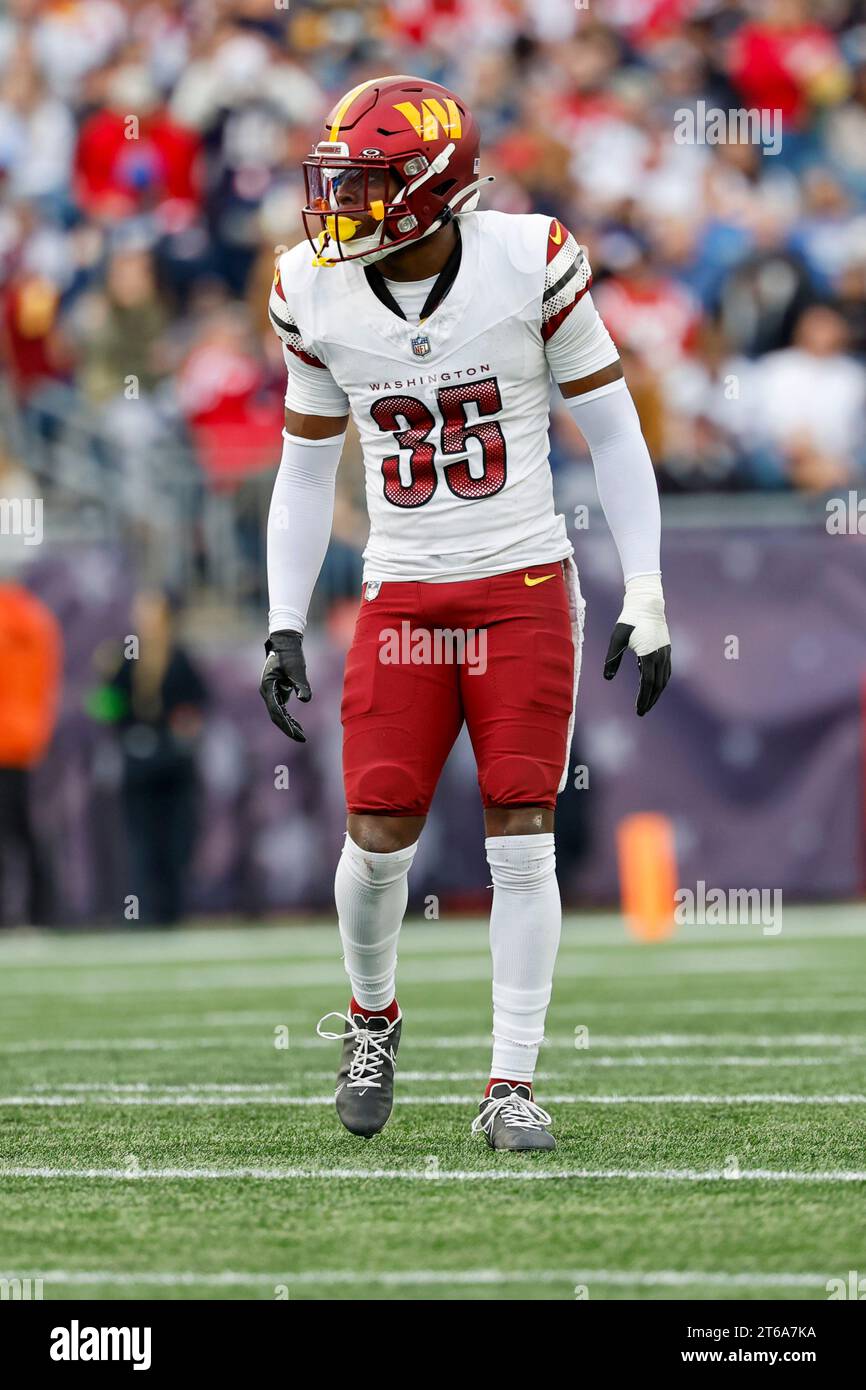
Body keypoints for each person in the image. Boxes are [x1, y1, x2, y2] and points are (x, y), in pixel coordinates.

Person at [260, 76, 672, 1152]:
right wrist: (281, 619)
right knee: (378, 830)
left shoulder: (525, 258)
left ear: (428, 190)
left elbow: (614, 431)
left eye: (366, 182)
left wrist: (647, 587)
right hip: (399, 585)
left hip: (520, 580)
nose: (339, 202)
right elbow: (305, 471)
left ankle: (509, 1080)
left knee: (520, 830)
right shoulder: (310, 286)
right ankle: (370, 1014)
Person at [0, 579, 61, 926]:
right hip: (27, 742)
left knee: (14, 833)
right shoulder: (37, 618)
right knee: (26, 832)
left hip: (6, 742)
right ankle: (44, 910)